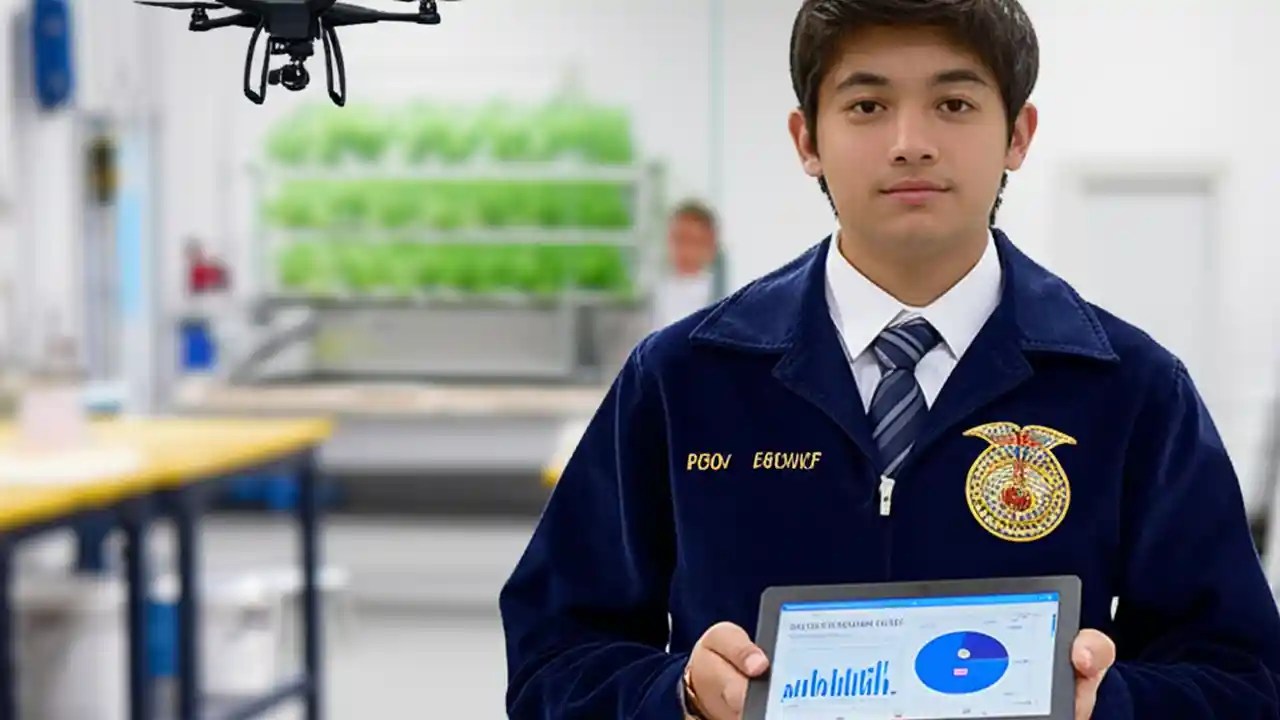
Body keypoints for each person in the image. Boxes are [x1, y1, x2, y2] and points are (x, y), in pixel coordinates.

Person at [499, 0, 1280, 718]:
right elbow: (553, 661)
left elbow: (1243, 678)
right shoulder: (682, 380)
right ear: (808, 139)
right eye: (867, 105)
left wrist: (1107, 706)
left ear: (1018, 135)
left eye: (954, 103)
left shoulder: (1131, 389)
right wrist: (682, 696)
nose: (911, 143)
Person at [652, 199, 721, 331]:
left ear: (711, 245)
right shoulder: (654, 294)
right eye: (679, 239)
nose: (685, 250)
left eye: (693, 241)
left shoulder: (726, 300)